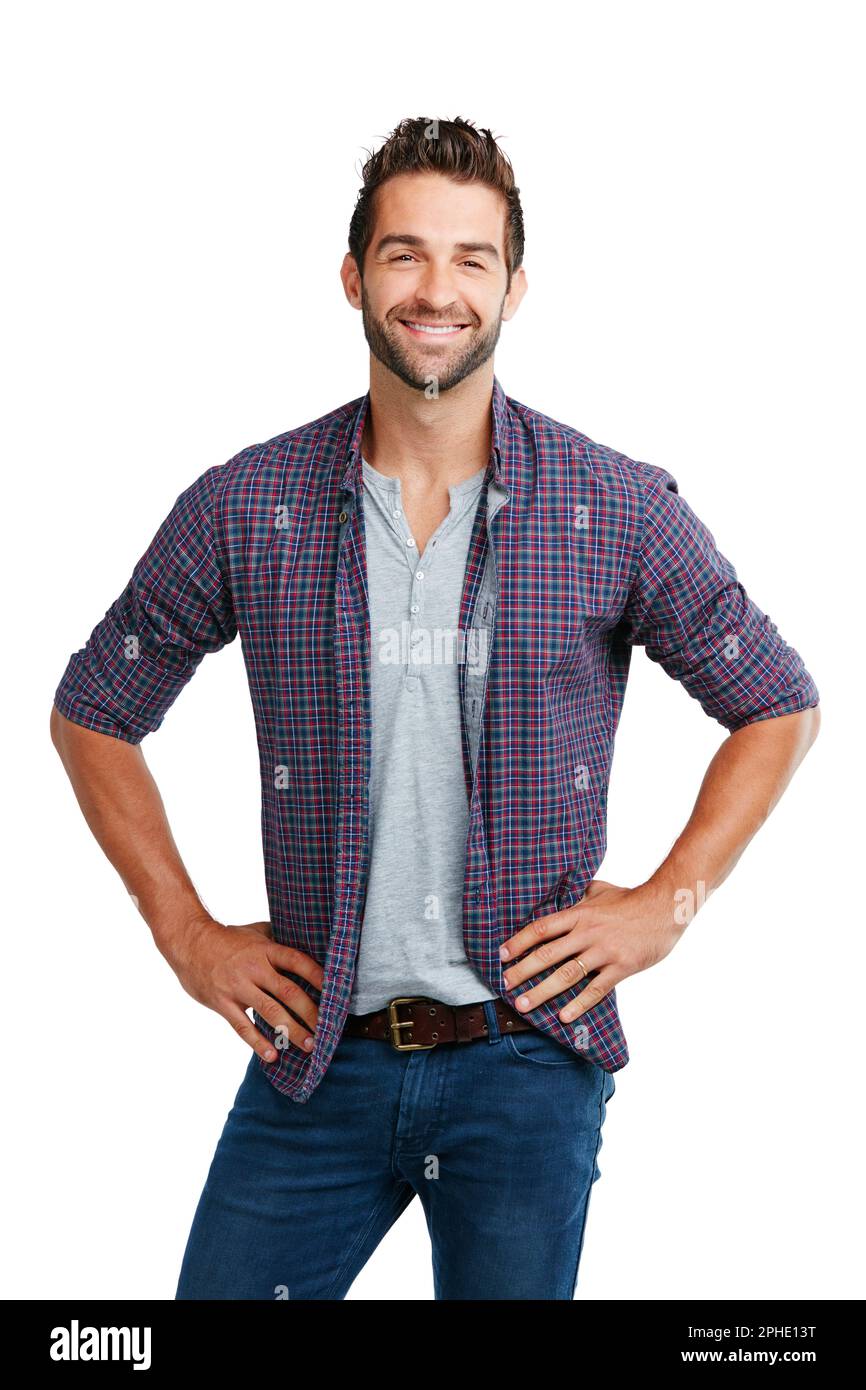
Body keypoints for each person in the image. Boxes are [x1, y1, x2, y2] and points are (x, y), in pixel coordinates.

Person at [50, 115, 821, 1301]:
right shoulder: (245, 505)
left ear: (515, 287)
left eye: (471, 259)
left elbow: (774, 702)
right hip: (315, 1060)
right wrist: (186, 933)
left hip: (525, 1060)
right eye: (405, 254)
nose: (436, 290)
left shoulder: (611, 506)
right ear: (354, 276)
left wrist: (669, 902)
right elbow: (94, 707)